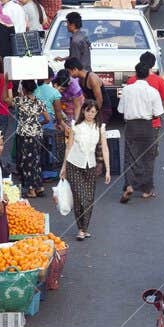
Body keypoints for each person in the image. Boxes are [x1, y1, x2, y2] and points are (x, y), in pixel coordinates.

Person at [60, 99, 109, 242]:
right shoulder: (75, 126)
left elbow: (105, 148)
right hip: (74, 165)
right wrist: (64, 167)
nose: (90, 114)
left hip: (90, 166)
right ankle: (81, 230)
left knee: (89, 199)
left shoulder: (100, 128)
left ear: (96, 113)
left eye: (93, 112)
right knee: (80, 197)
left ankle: (84, 228)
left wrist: (108, 169)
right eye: (88, 111)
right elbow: (69, 147)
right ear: (83, 111)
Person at [117, 59, 163, 203]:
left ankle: (129, 185)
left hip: (131, 126)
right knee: (147, 158)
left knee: (130, 157)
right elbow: (158, 113)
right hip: (147, 127)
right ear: (148, 74)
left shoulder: (126, 90)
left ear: (136, 74)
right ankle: (146, 190)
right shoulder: (153, 92)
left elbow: (121, 110)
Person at [11, 79, 49, 195]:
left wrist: (7, 83)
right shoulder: (40, 102)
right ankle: (39, 186)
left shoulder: (20, 101)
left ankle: (31, 189)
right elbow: (47, 119)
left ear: (23, 89)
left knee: (26, 162)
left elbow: (5, 99)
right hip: (37, 134)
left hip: (24, 135)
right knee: (36, 160)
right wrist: (38, 124)